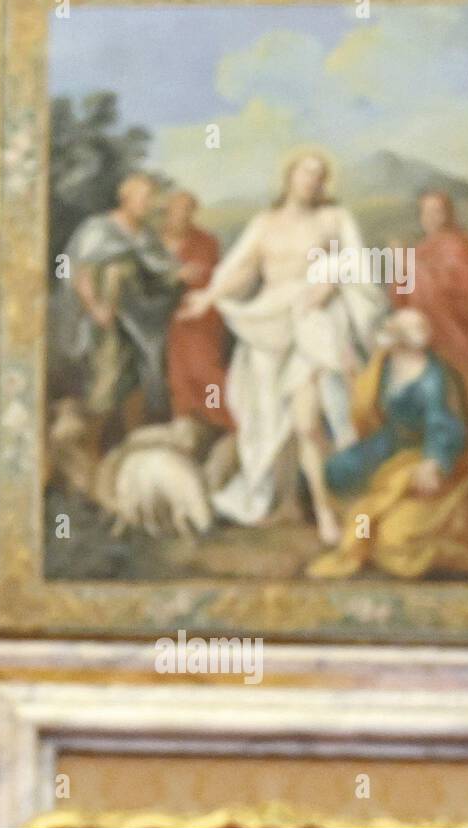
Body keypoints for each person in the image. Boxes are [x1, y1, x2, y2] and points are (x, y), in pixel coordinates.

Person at [177, 151, 387, 545]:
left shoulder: (334, 219)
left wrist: (332, 280)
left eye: (319, 175)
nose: (311, 180)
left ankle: (332, 512)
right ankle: (293, 502)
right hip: (271, 325)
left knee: (312, 422)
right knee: (275, 423)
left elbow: (359, 264)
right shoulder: (265, 223)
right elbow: (241, 268)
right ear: (289, 176)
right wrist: (208, 298)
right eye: (305, 173)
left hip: (314, 324)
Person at [308, 309, 468, 579]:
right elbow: (368, 401)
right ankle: (361, 524)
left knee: (395, 523)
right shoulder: (386, 364)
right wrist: (351, 376)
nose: (421, 332)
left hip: (421, 452)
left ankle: (383, 530)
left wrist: (434, 461)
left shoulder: (433, 377)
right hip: (391, 442)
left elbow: (443, 424)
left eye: (421, 326)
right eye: (411, 328)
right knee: (338, 470)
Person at [62, 172, 200, 449]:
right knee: (107, 383)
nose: (150, 205)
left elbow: (159, 269)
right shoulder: (99, 229)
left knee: (138, 385)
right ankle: (90, 449)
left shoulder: (146, 234)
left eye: (152, 199)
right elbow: (82, 273)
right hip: (107, 322)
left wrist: (180, 273)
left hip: (141, 322)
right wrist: (96, 308)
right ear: (126, 199)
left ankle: (131, 447)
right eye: (146, 198)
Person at [394, 191, 468, 432]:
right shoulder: (418, 250)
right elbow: (400, 300)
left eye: (437, 211)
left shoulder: (458, 246)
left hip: (452, 336)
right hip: (420, 338)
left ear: (448, 214)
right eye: (426, 211)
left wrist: (415, 269)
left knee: (460, 398)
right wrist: (402, 266)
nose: (431, 217)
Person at [160, 190, 231, 432]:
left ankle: (223, 421)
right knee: (178, 375)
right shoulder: (154, 242)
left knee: (205, 371)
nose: (183, 215)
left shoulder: (206, 241)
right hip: (163, 317)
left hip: (200, 318)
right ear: (168, 211)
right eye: (178, 209)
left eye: (188, 210)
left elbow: (213, 278)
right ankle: (187, 420)